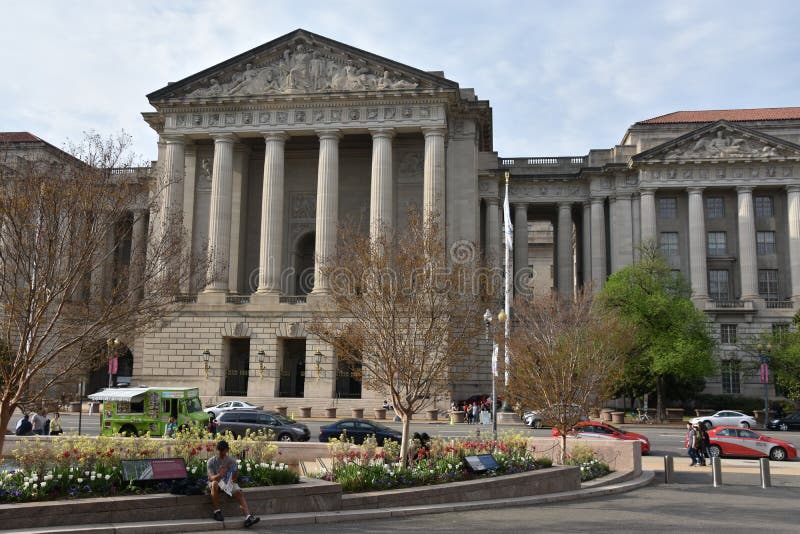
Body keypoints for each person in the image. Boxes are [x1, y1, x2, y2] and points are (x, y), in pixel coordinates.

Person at [207, 440, 260, 527]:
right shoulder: (211, 461)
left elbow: (235, 476)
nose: (221, 453)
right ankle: (217, 511)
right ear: (217, 450)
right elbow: (211, 478)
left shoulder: (232, 461)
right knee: (214, 483)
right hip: (216, 482)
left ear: (227, 450)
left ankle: (248, 517)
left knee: (238, 492)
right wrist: (220, 474)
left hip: (228, 483)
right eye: (219, 451)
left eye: (223, 451)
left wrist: (233, 478)